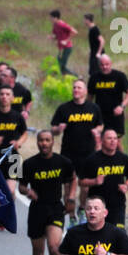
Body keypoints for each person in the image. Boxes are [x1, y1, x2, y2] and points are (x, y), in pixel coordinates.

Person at [18, 130, 73, 255]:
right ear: (37, 142)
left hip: (55, 208)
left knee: (54, 247)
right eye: (41, 140)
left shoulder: (62, 162)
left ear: (52, 142)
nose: (44, 143)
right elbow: (20, 186)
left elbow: (72, 179)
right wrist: (28, 191)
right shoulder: (29, 164)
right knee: (38, 252)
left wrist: (70, 198)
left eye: (47, 140)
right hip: (37, 210)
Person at [50, 79, 103, 223]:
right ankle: (72, 216)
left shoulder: (93, 108)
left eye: (79, 88)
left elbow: (100, 125)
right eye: (74, 88)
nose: (76, 90)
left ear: (85, 91)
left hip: (88, 153)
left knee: (85, 186)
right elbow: (52, 130)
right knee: (67, 187)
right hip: (68, 153)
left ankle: (81, 211)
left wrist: (96, 131)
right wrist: (58, 129)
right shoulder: (64, 108)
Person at [78, 128, 128, 228]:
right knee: (98, 236)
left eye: (115, 138)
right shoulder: (92, 160)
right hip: (97, 206)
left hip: (117, 205)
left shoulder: (123, 158)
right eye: (109, 138)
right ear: (102, 141)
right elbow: (81, 181)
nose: (113, 141)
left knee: (118, 234)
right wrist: (95, 181)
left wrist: (127, 185)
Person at [87, 54, 128, 145]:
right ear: (99, 65)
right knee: (99, 142)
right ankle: (101, 159)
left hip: (115, 115)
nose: (104, 67)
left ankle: (122, 159)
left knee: (116, 142)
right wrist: (89, 111)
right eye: (102, 65)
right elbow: (90, 97)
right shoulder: (94, 78)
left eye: (107, 64)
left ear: (111, 64)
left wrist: (122, 106)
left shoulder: (119, 76)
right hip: (100, 115)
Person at [49, 9, 77, 76]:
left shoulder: (62, 24)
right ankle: (59, 78)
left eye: (51, 18)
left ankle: (77, 77)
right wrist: (52, 37)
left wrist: (66, 41)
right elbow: (56, 36)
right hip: (61, 49)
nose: (50, 19)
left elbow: (75, 32)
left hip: (67, 48)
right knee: (58, 65)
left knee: (61, 67)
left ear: (56, 18)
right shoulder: (55, 25)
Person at [84, 13, 104, 77]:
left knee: (96, 71)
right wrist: (91, 50)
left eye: (84, 20)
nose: (83, 21)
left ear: (88, 20)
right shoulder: (91, 29)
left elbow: (102, 41)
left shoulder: (94, 29)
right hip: (93, 53)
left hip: (97, 55)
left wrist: (98, 53)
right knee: (92, 71)